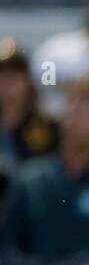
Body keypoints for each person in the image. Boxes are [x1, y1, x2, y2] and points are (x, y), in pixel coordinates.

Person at [1, 72, 89, 265]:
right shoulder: (30, 180)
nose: (76, 117)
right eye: (72, 105)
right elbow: (7, 250)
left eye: (87, 110)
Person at [0, 41, 58, 202]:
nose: (7, 84)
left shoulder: (48, 126)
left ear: (28, 80)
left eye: (15, 76)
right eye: (2, 76)